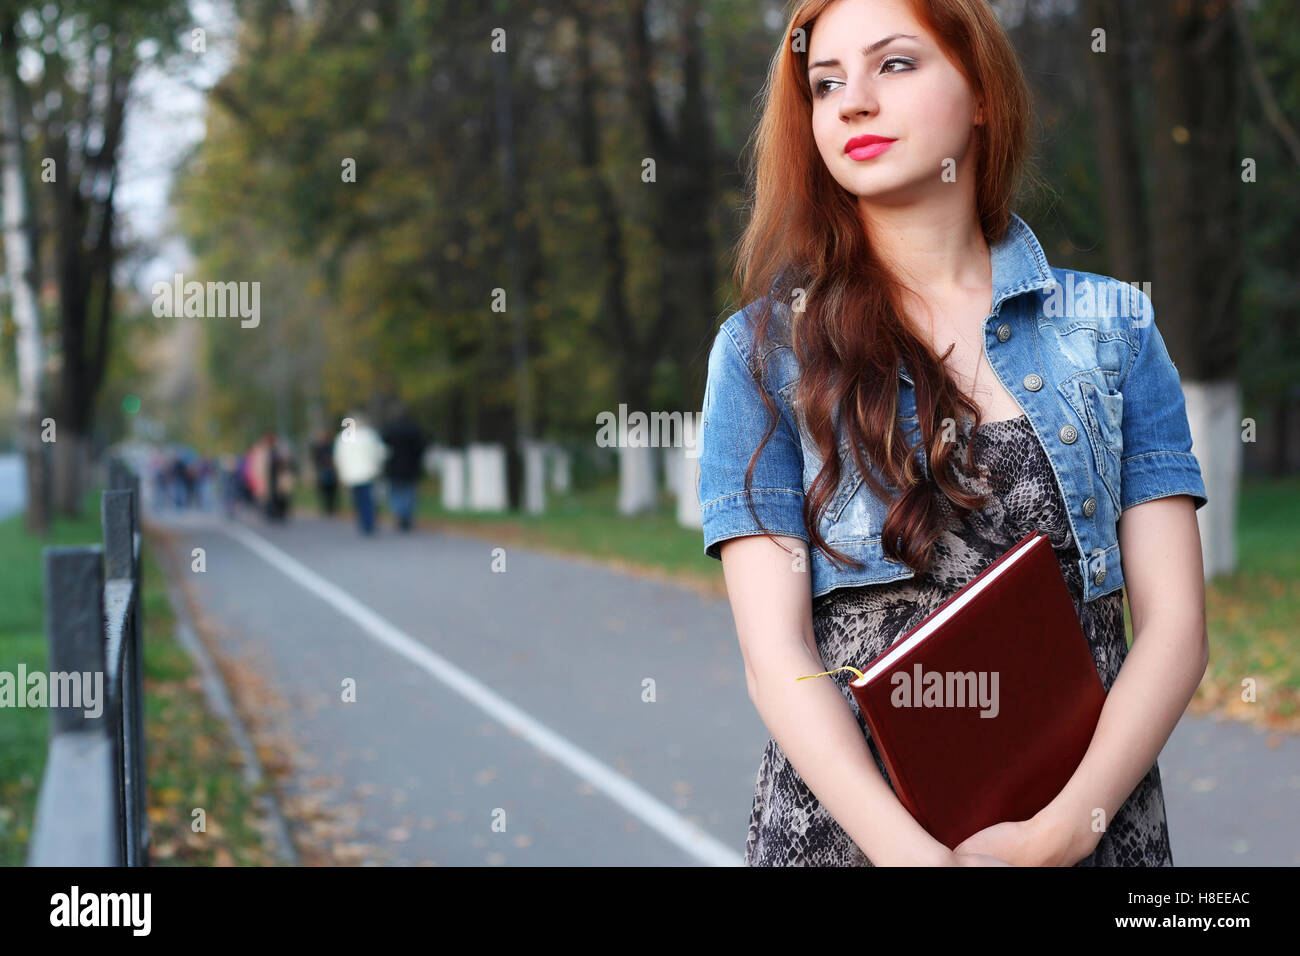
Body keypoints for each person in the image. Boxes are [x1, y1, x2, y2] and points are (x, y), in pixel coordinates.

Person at [697, 0, 1208, 868]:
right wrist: (912, 855)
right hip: (851, 839)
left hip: (1085, 832)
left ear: (979, 93)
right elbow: (774, 655)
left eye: (894, 64)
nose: (853, 101)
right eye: (826, 84)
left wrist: (1058, 834)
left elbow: (1175, 630)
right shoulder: (762, 350)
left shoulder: (1113, 327)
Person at [332, 411, 388, 535]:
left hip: (352, 475)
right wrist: (377, 467)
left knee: (358, 500)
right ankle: (369, 522)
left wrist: (342, 474)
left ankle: (364, 522)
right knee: (368, 499)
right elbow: (380, 452)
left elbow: (339, 458)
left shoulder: (343, 438)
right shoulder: (369, 435)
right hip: (367, 473)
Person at [380, 404, 426, 531]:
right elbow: (420, 448)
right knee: (409, 493)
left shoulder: (389, 429)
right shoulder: (413, 429)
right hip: (411, 467)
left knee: (395, 493)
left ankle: (399, 514)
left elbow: (383, 448)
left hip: (394, 467)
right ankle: (407, 517)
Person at [310, 428, 340, 516]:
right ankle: (326, 507)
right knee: (324, 489)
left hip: (331, 470)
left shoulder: (332, 446)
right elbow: (316, 459)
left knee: (332, 489)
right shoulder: (318, 447)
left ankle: (332, 507)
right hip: (323, 469)